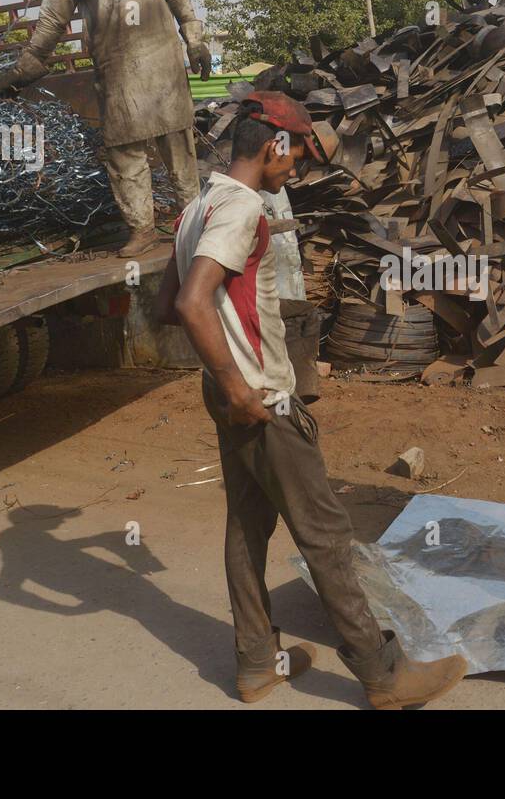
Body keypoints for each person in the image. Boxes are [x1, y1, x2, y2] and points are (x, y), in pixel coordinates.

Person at [154, 91, 467, 707]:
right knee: (323, 531)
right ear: (274, 143)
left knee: (247, 524)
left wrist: (226, 370)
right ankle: (383, 676)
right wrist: (245, 384)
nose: (294, 168)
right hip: (258, 400)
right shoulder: (243, 208)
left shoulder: (198, 206)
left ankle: (254, 664)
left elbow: (168, 304)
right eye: (295, 153)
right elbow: (192, 304)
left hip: (223, 392)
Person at [0, 0, 211, 258]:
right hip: (117, 68)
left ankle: (192, 222)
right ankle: (143, 230)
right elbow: (54, 18)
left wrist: (194, 39)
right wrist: (27, 67)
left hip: (162, 61)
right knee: (124, 151)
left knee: (178, 142)